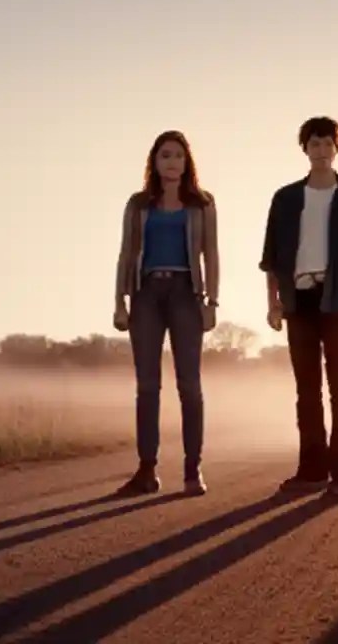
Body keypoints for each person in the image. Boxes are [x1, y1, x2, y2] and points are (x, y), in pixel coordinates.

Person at [259, 116, 338, 500]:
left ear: (337, 148)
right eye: (315, 144)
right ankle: (311, 470)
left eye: (328, 144)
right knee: (306, 389)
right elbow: (272, 258)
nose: (322, 151)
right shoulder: (286, 198)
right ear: (305, 149)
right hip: (299, 299)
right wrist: (274, 303)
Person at [112, 130, 219, 497]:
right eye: (164, 156)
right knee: (147, 386)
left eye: (177, 156)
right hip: (146, 295)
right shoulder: (139, 204)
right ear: (154, 163)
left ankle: (193, 469)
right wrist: (119, 302)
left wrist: (211, 303)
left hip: (186, 293)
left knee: (189, 384)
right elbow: (126, 253)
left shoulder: (202, 203)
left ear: (187, 162)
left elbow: (211, 254)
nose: (171, 162)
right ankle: (147, 470)